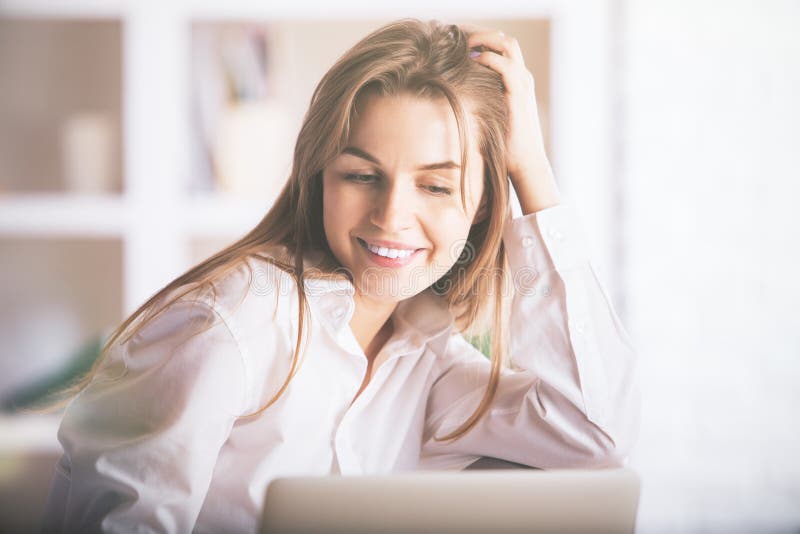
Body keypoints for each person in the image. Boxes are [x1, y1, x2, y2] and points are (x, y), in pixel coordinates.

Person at [41, 19, 640, 533]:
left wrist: (532, 173)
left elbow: (593, 437)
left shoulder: (429, 363)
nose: (391, 216)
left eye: (435, 186)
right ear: (318, 177)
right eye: (361, 175)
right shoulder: (228, 325)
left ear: (482, 206)